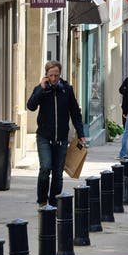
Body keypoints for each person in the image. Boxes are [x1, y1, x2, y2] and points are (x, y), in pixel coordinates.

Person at [27, 59, 85, 207]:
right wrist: (41, 88)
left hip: (61, 138)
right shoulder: (41, 90)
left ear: (60, 75)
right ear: (46, 75)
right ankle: (42, 201)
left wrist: (81, 134)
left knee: (58, 174)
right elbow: (31, 106)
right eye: (51, 75)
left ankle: (53, 203)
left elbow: (75, 113)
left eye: (56, 75)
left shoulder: (67, 90)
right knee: (46, 167)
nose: (54, 78)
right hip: (44, 137)